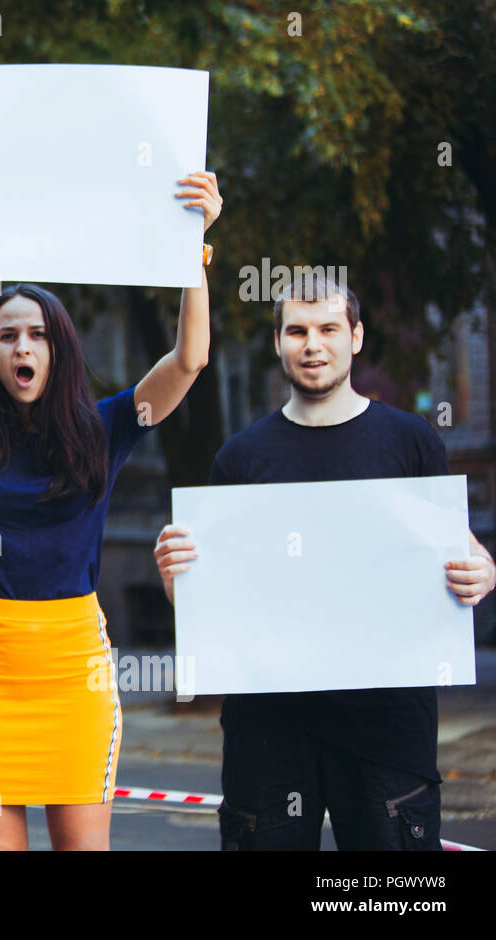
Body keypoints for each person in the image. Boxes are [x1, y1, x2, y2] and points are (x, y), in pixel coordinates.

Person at [0, 167, 222, 850]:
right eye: (8, 336)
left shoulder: (108, 428)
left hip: (76, 672)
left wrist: (193, 256)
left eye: (38, 335)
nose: (23, 347)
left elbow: (190, 360)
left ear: (59, 349)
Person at [154, 273, 495, 850]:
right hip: (269, 735)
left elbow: (459, 550)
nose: (312, 344)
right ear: (279, 342)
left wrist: (482, 570)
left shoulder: (411, 443)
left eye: (328, 328)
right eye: (297, 330)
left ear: (355, 338)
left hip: (387, 731)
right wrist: (175, 579)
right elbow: (206, 602)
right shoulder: (241, 458)